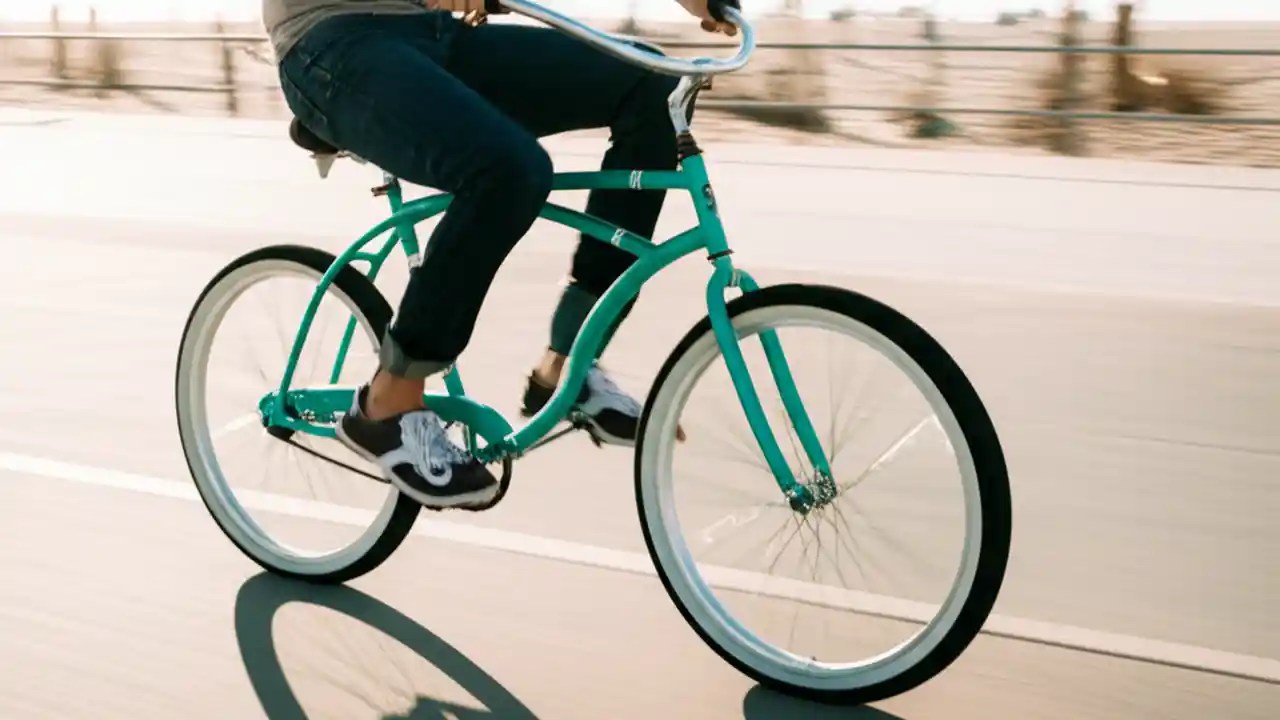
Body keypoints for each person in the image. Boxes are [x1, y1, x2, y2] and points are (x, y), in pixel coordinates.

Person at [263, 0, 737, 509]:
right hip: (331, 44)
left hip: (433, 33)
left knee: (655, 84)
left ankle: (569, 360)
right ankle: (388, 402)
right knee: (510, 169)